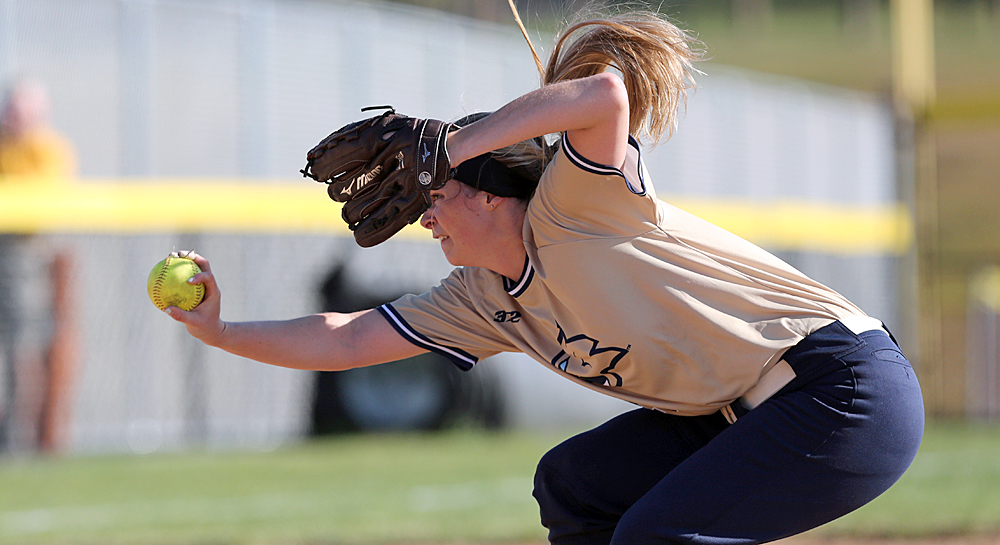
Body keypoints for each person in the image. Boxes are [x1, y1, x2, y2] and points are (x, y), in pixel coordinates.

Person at [166, 8, 924, 544]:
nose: (421, 216)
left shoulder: (576, 207)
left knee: (659, 534)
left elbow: (605, 96)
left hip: (842, 391)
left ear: (491, 191)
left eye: (436, 196)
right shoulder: (483, 298)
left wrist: (453, 143)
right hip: (743, 414)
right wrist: (219, 329)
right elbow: (347, 338)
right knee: (576, 484)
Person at [0, 78, 78, 453]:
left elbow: (45, 199)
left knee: (25, 345)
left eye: (23, 108)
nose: (15, 116)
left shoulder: (47, 149)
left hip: (25, 255)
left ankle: (23, 435)